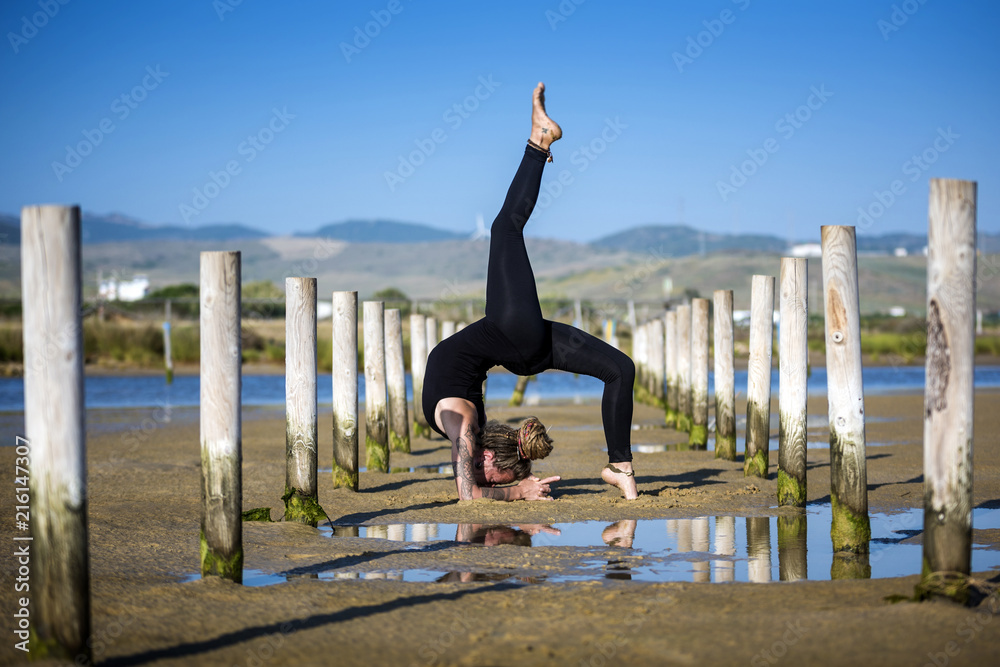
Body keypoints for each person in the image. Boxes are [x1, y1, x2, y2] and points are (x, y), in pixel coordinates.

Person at [423, 82, 638, 502]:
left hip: (515, 344)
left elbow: (471, 488)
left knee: (621, 369)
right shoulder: (465, 426)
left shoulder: (466, 427)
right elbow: (469, 497)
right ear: (491, 456)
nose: (475, 471)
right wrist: (516, 493)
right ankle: (539, 140)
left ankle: (621, 469)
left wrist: (511, 488)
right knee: (505, 228)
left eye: (489, 474)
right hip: (511, 336)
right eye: (492, 474)